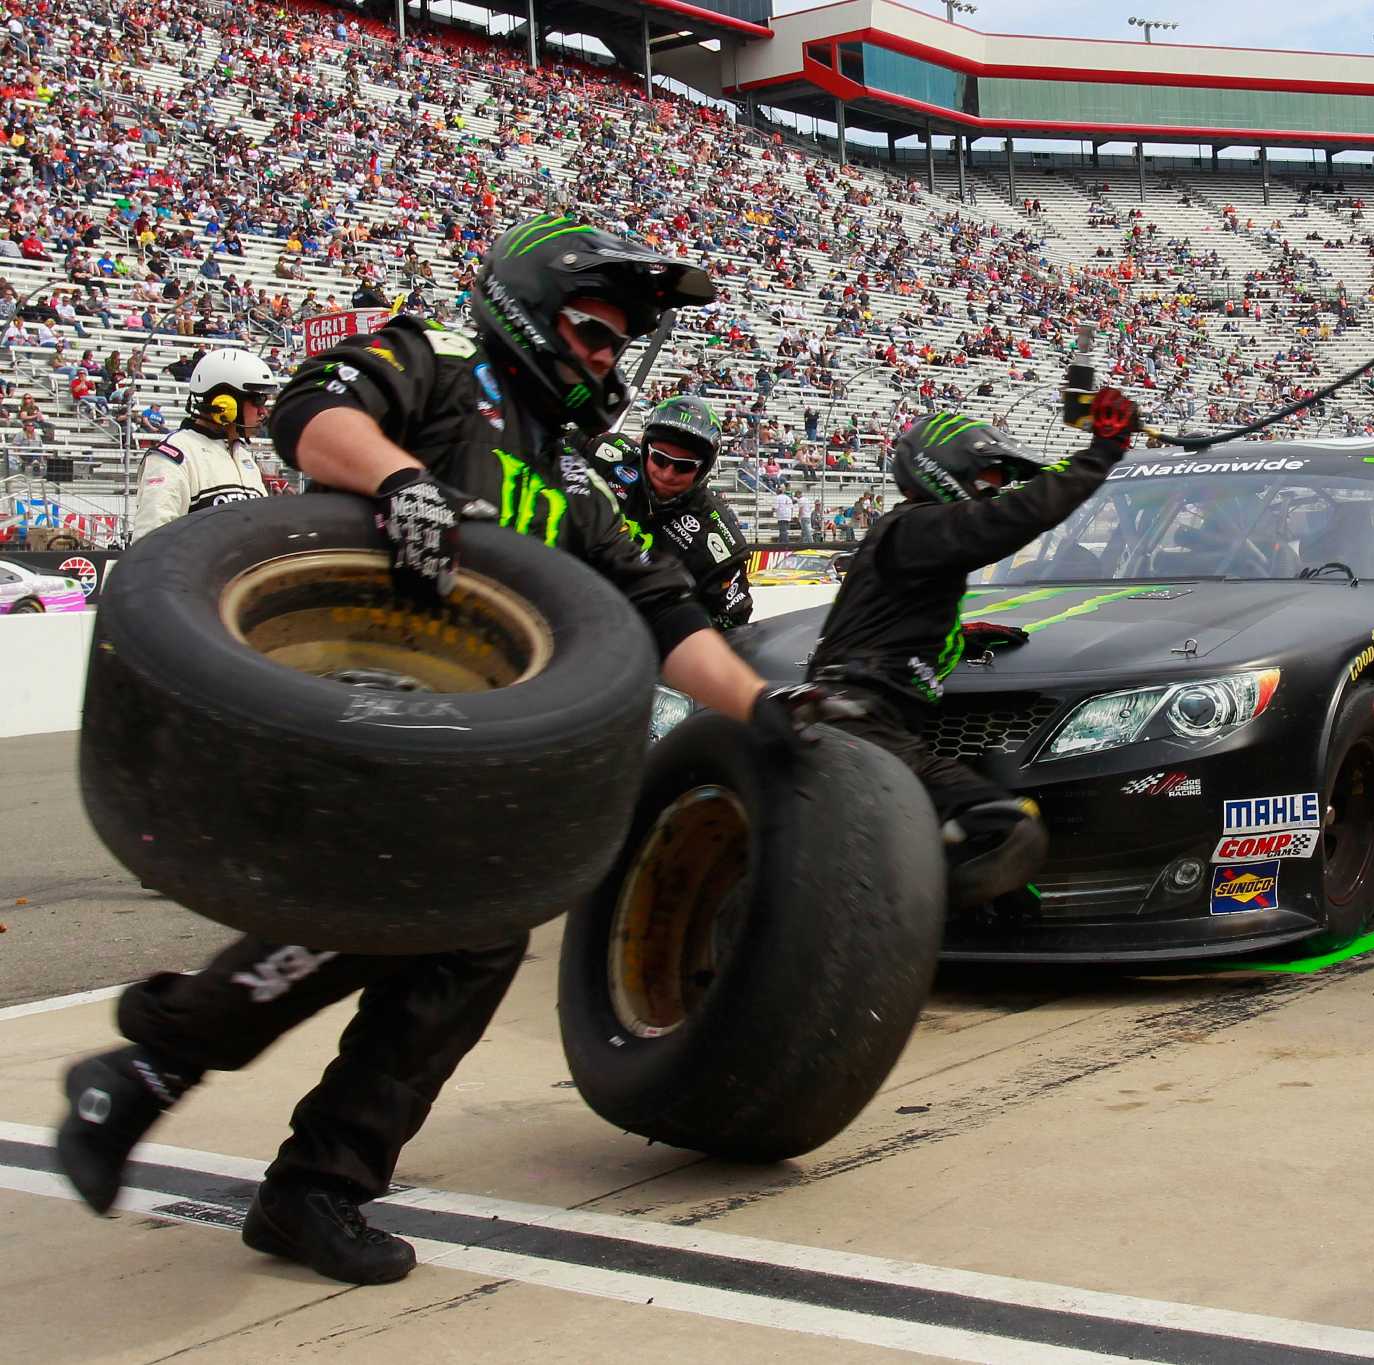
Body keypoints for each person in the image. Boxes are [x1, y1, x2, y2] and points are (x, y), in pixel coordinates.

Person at [54, 215, 831, 1288]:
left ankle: (302, 1176)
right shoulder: (438, 366)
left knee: (471, 942)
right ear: (532, 306)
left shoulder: (573, 482)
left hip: (455, 752)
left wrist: (761, 707)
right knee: (375, 919)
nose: (606, 360)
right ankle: (161, 1069)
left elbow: (663, 612)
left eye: (617, 346)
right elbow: (310, 414)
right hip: (339, 706)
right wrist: (398, 481)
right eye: (595, 333)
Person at [805, 391, 1140, 908]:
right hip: (863, 727)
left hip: (867, 722)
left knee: (998, 836)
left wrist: (958, 640)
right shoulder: (914, 526)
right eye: (989, 480)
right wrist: (1101, 452)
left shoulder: (909, 538)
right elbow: (1010, 520)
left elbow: (890, 624)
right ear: (946, 471)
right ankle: (888, 915)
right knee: (1008, 832)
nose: (997, 490)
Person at [590, 395, 754, 630]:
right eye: (659, 459)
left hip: (637, 638)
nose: (667, 474)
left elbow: (733, 623)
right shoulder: (605, 455)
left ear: (703, 469)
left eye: (684, 466)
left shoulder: (719, 543)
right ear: (646, 449)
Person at [128, 347, 277, 539]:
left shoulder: (243, 457)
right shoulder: (173, 457)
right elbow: (150, 543)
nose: (263, 411)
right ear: (226, 402)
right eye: (258, 400)